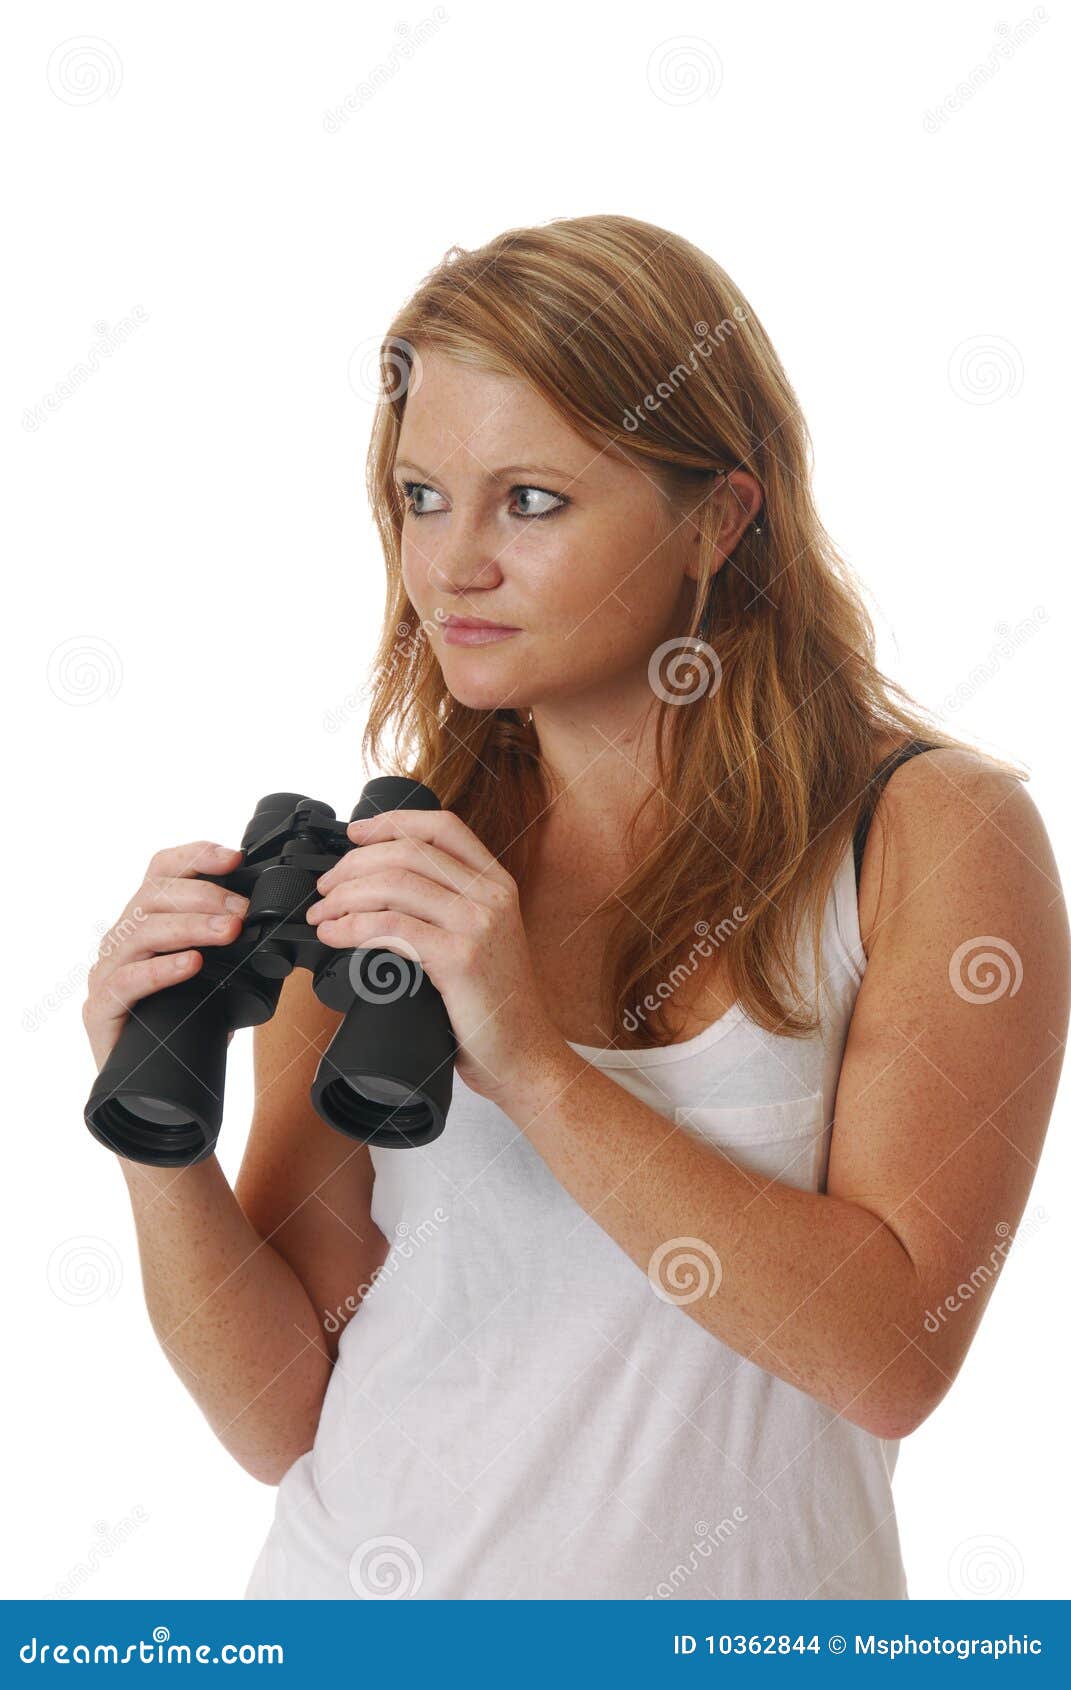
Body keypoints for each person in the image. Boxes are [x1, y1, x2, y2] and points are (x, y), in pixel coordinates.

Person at [82, 215, 1069, 1600]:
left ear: (718, 519)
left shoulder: (928, 836)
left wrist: (532, 1064)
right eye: (421, 497)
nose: (451, 565)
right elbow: (279, 1413)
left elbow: (893, 1355)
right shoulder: (403, 861)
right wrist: (156, 1129)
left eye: (529, 501)